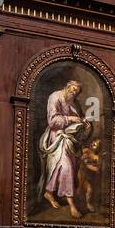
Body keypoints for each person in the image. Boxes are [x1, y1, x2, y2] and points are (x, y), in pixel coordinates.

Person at [39, 79, 88, 219]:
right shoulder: (55, 96)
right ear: (66, 87)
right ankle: (72, 205)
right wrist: (70, 119)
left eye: (76, 92)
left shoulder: (74, 102)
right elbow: (53, 121)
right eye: (72, 89)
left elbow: (79, 119)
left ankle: (48, 192)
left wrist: (84, 125)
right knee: (66, 168)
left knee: (67, 168)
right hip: (56, 137)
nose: (73, 93)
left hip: (70, 139)